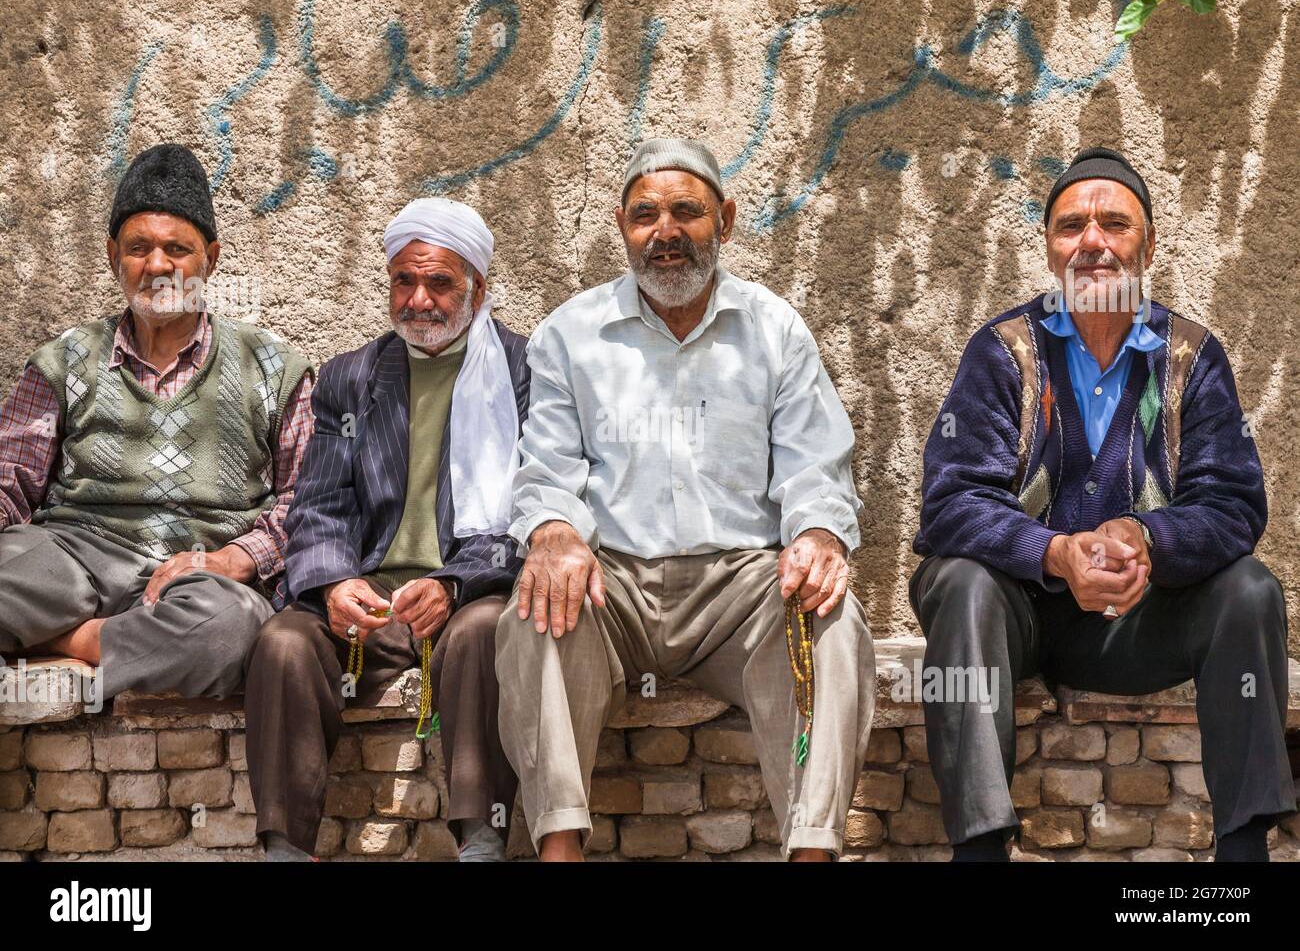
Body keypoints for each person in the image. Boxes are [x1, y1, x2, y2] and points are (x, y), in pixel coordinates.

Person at [911, 147, 1296, 862]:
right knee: (959, 580)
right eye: (1071, 226)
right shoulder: (1002, 352)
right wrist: (1055, 552)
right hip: (1015, 623)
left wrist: (1147, 537)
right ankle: (980, 850)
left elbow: (1234, 503)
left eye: (1113, 224)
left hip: (1135, 629)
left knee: (1250, 589)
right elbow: (951, 503)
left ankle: (1244, 853)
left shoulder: (1191, 357)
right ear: (1051, 248)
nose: (1092, 242)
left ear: (1147, 245)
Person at [496, 138, 876, 862]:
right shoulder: (570, 335)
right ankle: (559, 850)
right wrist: (552, 529)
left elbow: (814, 463)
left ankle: (814, 851)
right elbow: (547, 468)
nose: (664, 232)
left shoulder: (774, 330)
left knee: (832, 619)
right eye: (645, 216)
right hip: (616, 589)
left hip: (739, 590)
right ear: (622, 227)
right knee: (533, 609)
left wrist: (820, 534)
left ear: (725, 221)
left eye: (686, 213)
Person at [244, 198, 529, 862]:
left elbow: (537, 505)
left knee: (489, 631)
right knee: (283, 642)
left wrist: (455, 585)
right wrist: (334, 582)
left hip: (468, 590)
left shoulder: (525, 370)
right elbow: (317, 502)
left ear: (478, 289)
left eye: (440, 283)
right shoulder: (352, 377)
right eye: (405, 280)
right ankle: (285, 847)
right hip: (369, 600)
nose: (420, 299)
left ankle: (482, 841)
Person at [0, 143, 312, 700]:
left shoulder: (273, 367)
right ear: (113, 257)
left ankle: (73, 644)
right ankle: (116, 646)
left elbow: (305, 499)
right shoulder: (64, 360)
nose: (158, 265)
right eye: (138, 247)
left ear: (210, 259)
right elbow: (10, 481)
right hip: (73, 555)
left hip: (196, 573)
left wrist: (235, 557)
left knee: (232, 628)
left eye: (178, 248)